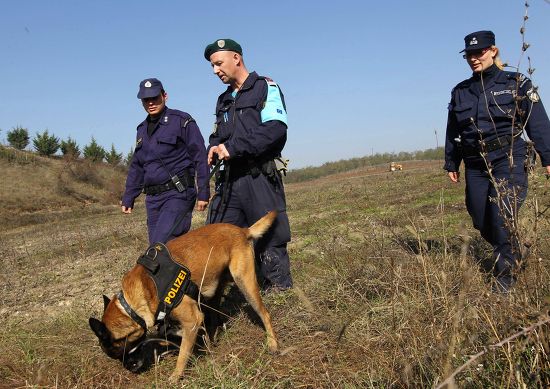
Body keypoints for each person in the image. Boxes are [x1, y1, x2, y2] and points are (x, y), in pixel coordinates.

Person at [444, 30, 550, 292]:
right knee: (481, 218)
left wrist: (548, 156)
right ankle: (513, 249)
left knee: (501, 215)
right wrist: (451, 161)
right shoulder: (461, 92)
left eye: (478, 52)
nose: (473, 58)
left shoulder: (517, 83)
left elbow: (537, 122)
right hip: (476, 163)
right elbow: (453, 130)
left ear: (493, 51)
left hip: (509, 156)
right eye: (469, 54)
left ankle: (505, 280)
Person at [203, 38, 292, 291]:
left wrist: (232, 148)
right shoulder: (223, 100)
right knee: (218, 236)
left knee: (269, 236)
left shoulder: (265, 87)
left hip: (258, 177)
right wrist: (213, 147)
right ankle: (229, 293)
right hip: (230, 180)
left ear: (236, 59)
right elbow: (218, 135)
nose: (215, 71)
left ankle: (278, 291)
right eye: (212, 66)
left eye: (218, 64)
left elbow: (275, 130)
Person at [121, 78, 210, 244]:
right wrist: (129, 196)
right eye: (146, 100)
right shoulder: (141, 130)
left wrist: (203, 192)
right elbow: (137, 166)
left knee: (162, 247)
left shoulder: (181, 121)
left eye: (155, 98)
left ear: (165, 96)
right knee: (159, 248)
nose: (151, 103)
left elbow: (200, 156)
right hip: (153, 200)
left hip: (177, 194)